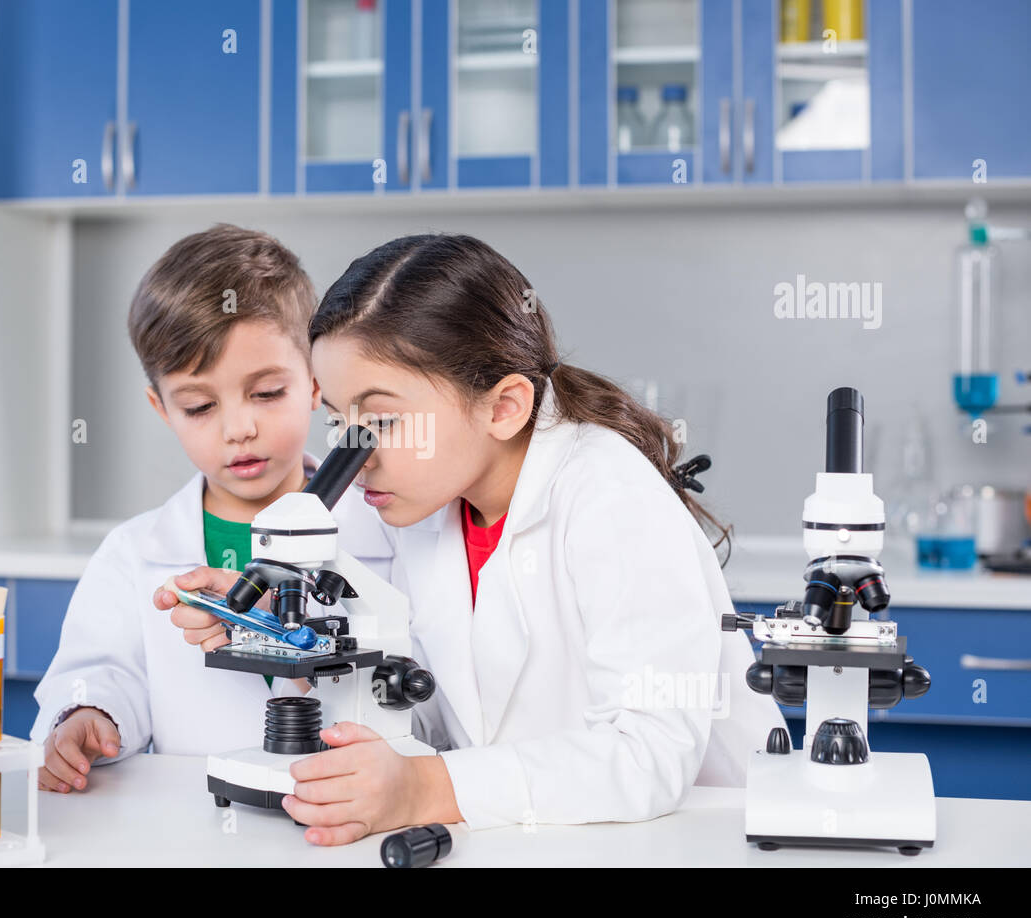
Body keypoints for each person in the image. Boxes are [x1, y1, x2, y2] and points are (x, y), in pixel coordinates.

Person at [165, 233, 783, 844]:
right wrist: (291, 625)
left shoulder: (608, 491)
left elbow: (649, 756)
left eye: (380, 420)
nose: (354, 455)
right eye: (337, 422)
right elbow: (439, 721)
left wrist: (424, 789)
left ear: (504, 407)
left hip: (707, 841)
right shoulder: (434, 511)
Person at [32, 225, 393, 794]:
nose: (239, 428)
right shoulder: (134, 554)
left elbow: (431, 685)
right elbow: (99, 672)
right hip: (197, 826)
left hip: (355, 820)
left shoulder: (388, 529)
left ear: (317, 381)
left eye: (267, 392)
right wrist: (89, 716)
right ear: (162, 407)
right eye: (200, 406)